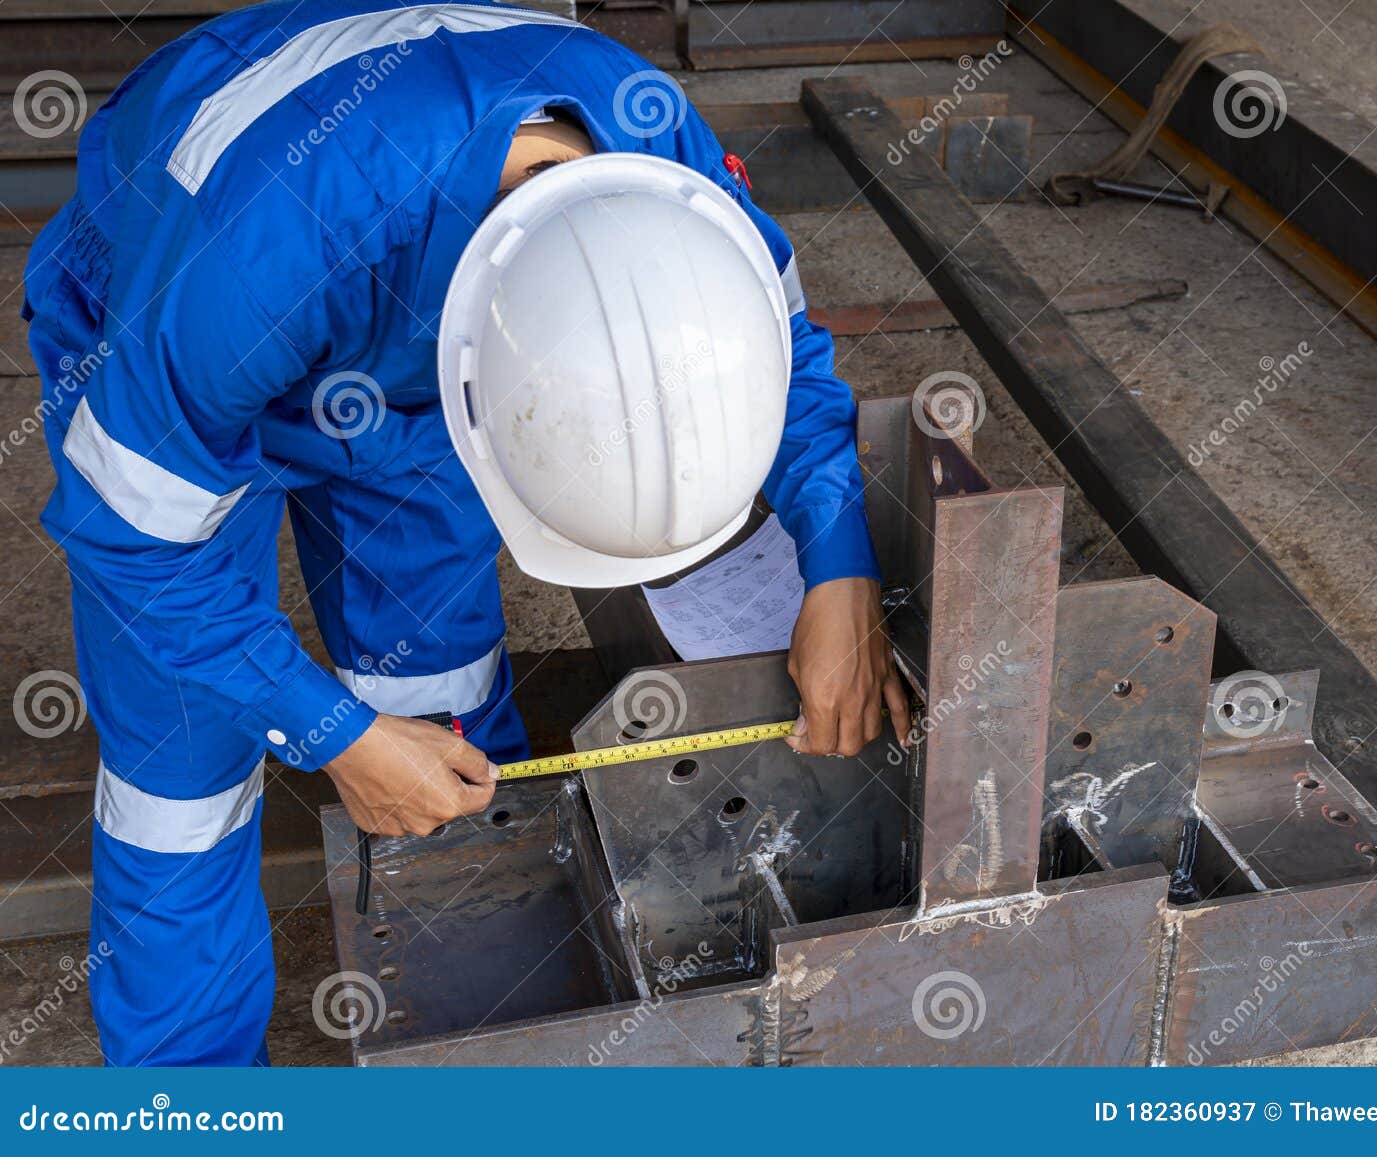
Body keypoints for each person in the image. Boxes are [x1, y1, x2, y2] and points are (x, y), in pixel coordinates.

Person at [22, 0, 910, 1066]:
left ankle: (472, 1043)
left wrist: (840, 568)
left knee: (437, 709)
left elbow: (790, 361)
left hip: (408, 359)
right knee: (184, 778)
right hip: (178, 303)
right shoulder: (255, 255)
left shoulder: (671, 177)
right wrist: (329, 733)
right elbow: (134, 546)